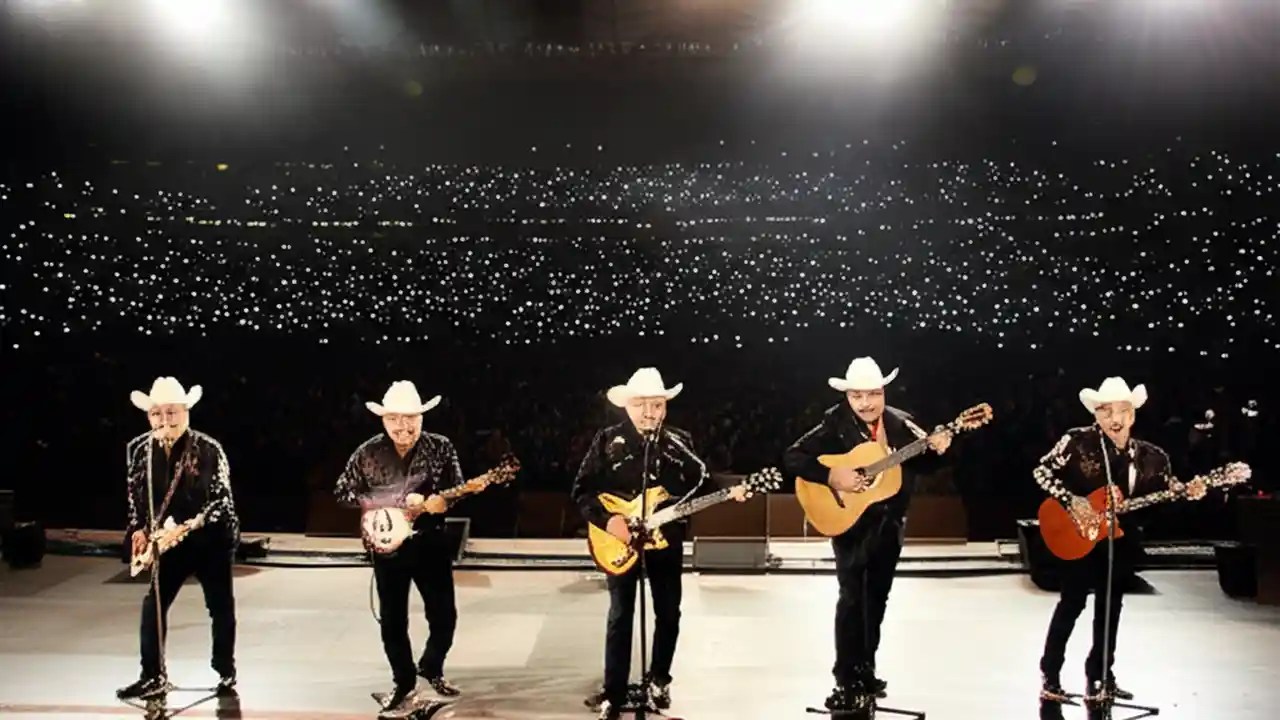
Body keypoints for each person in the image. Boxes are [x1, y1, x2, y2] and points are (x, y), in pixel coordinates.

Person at [572, 368, 746, 720]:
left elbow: (701, 483)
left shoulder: (680, 442)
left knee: (668, 612)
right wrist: (609, 521)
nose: (649, 412)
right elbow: (581, 490)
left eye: (657, 404)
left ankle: (659, 680)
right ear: (627, 407)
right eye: (641, 405)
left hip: (666, 540)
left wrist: (731, 491)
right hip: (620, 541)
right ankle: (614, 690)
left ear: (666, 406)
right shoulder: (608, 440)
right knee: (621, 615)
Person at [782, 358, 951, 713]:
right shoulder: (834, 423)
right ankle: (844, 677)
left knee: (876, 600)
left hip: (890, 523)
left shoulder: (900, 422)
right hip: (850, 522)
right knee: (852, 599)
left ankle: (865, 669)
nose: (865, 403)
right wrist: (832, 477)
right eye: (857, 395)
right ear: (847, 396)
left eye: (872, 394)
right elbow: (793, 457)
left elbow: (921, 463)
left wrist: (939, 450)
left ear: (883, 392)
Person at [1034, 377, 1206, 705]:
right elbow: (1041, 472)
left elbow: (1169, 488)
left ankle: (1100, 675)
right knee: (1072, 603)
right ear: (1095, 415)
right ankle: (1051, 673)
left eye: (1122, 411)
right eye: (1105, 411)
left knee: (1111, 607)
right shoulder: (1076, 442)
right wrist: (1073, 500)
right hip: (1078, 533)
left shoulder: (1152, 457)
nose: (1115, 418)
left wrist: (1189, 491)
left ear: (1133, 414)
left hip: (1120, 539)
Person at [334, 380, 464, 715]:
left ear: (421, 418)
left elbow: (457, 489)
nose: (403, 426)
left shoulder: (441, 447)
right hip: (387, 549)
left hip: (431, 544)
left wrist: (442, 503)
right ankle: (403, 681)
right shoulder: (368, 452)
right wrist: (383, 504)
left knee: (445, 615)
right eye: (395, 418)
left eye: (410, 418)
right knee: (393, 620)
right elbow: (343, 491)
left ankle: (431, 667)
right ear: (383, 420)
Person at [117, 377, 240, 700]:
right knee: (153, 606)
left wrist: (186, 526)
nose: (164, 420)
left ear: (185, 412)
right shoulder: (140, 450)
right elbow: (136, 496)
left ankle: (224, 668)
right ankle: (152, 674)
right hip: (167, 544)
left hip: (210, 541)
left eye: (171, 413)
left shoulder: (208, 449)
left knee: (219, 606)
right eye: (157, 414)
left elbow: (221, 500)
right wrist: (139, 529)